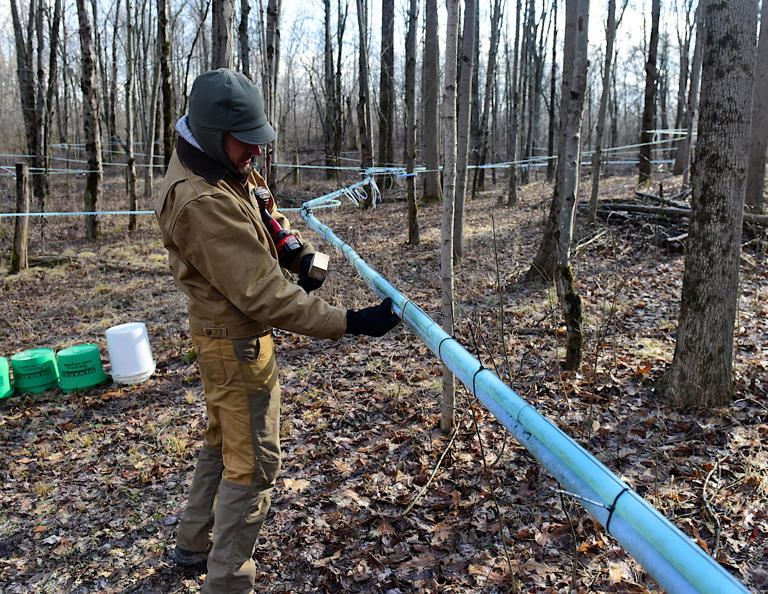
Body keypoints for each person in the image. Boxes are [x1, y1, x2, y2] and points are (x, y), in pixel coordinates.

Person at [154, 68, 400, 593]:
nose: (257, 155)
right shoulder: (202, 200)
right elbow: (265, 296)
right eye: (248, 144)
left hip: (226, 338)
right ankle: (228, 582)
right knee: (255, 464)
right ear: (216, 132)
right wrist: (350, 322)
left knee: (223, 442)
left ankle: (194, 543)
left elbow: (261, 202)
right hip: (236, 344)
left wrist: (290, 246)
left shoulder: (222, 163)